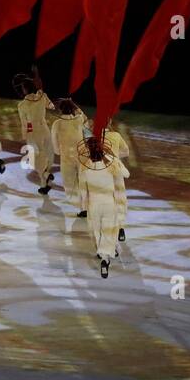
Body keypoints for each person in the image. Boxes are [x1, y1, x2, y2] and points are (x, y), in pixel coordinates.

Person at [81, 136, 129, 278]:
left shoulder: (85, 166)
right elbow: (126, 174)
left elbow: (83, 193)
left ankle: (103, 255)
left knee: (98, 231)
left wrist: (85, 208)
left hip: (94, 205)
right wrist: (112, 157)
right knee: (108, 231)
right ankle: (105, 258)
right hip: (109, 203)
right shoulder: (111, 162)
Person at [15, 72, 56, 192]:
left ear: (24, 89)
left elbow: (24, 123)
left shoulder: (22, 105)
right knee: (48, 154)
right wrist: (42, 94)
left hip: (33, 132)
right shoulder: (42, 96)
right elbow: (52, 106)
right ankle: (44, 185)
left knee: (35, 159)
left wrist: (24, 136)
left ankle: (46, 176)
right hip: (45, 129)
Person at [50, 99, 89, 215]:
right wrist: (75, 105)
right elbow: (85, 117)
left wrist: (58, 151)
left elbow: (54, 142)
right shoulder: (78, 119)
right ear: (72, 108)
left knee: (69, 183)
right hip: (82, 155)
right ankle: (85, 207)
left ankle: (81, 207)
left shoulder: (57, 123)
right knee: (83, 181)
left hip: (67, 156)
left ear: (60, 109)